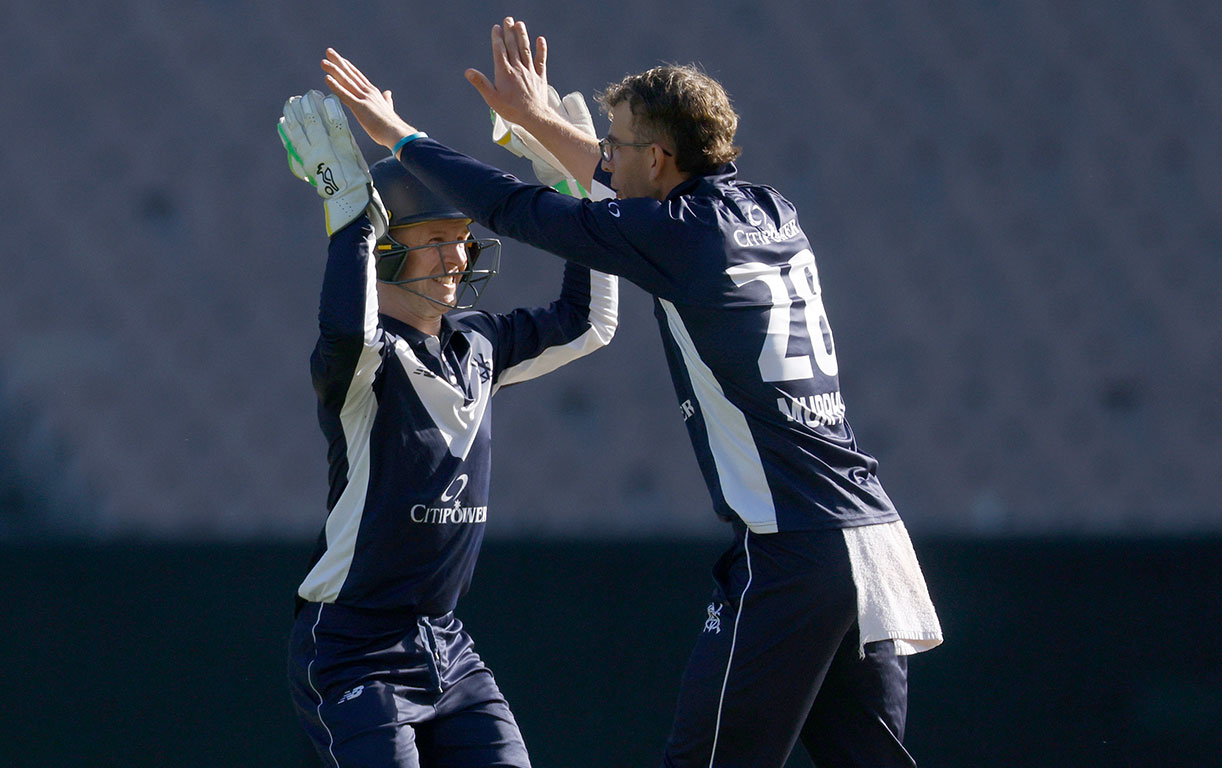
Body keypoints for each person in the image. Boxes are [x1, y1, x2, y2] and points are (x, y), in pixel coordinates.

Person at [319, 16, 943, 768]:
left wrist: (402, 137)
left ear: (658, 156)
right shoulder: (770, 209)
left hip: (795, 549)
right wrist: (540, 124)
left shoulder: (673, 237)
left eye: (614, 144)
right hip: (875, 538)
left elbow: (515, 211)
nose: (603, 157)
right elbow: (631, 193)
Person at [275, 89, 617, 768]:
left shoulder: (479, 347)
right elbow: (346, 331)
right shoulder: (368, 363)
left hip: (447, 644)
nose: (456, 255)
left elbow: (590, 322)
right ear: (383, 249)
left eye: (461, 237)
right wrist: (347, 219)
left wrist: (576, 194)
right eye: (433, 239)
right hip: (353, 650)